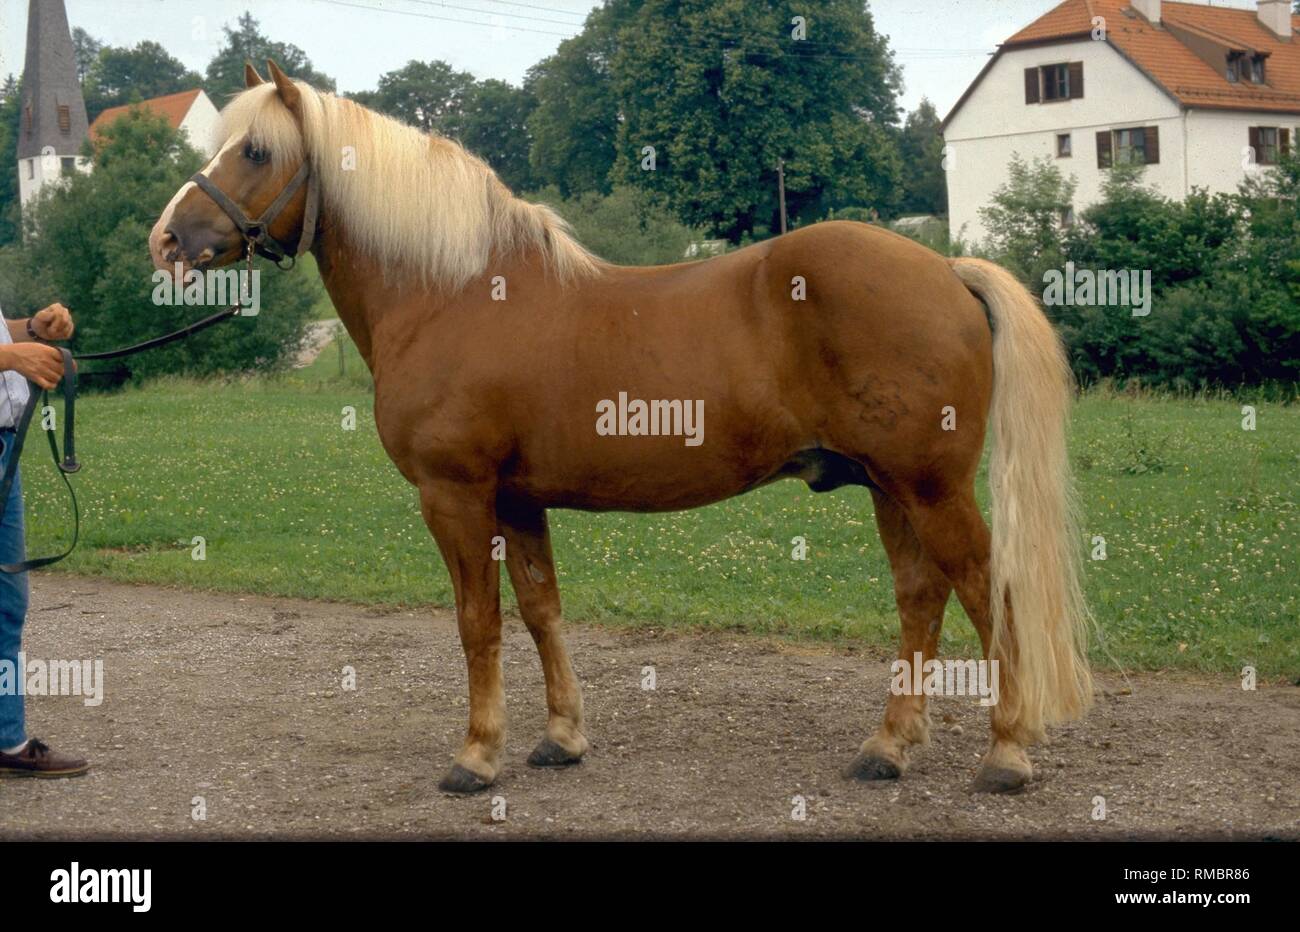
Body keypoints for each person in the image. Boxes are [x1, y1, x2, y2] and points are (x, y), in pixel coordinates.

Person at [0, 298, 89, 778]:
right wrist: (13, 358)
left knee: (7, 604)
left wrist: (28, 329)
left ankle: (6, 741)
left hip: (5, 451)